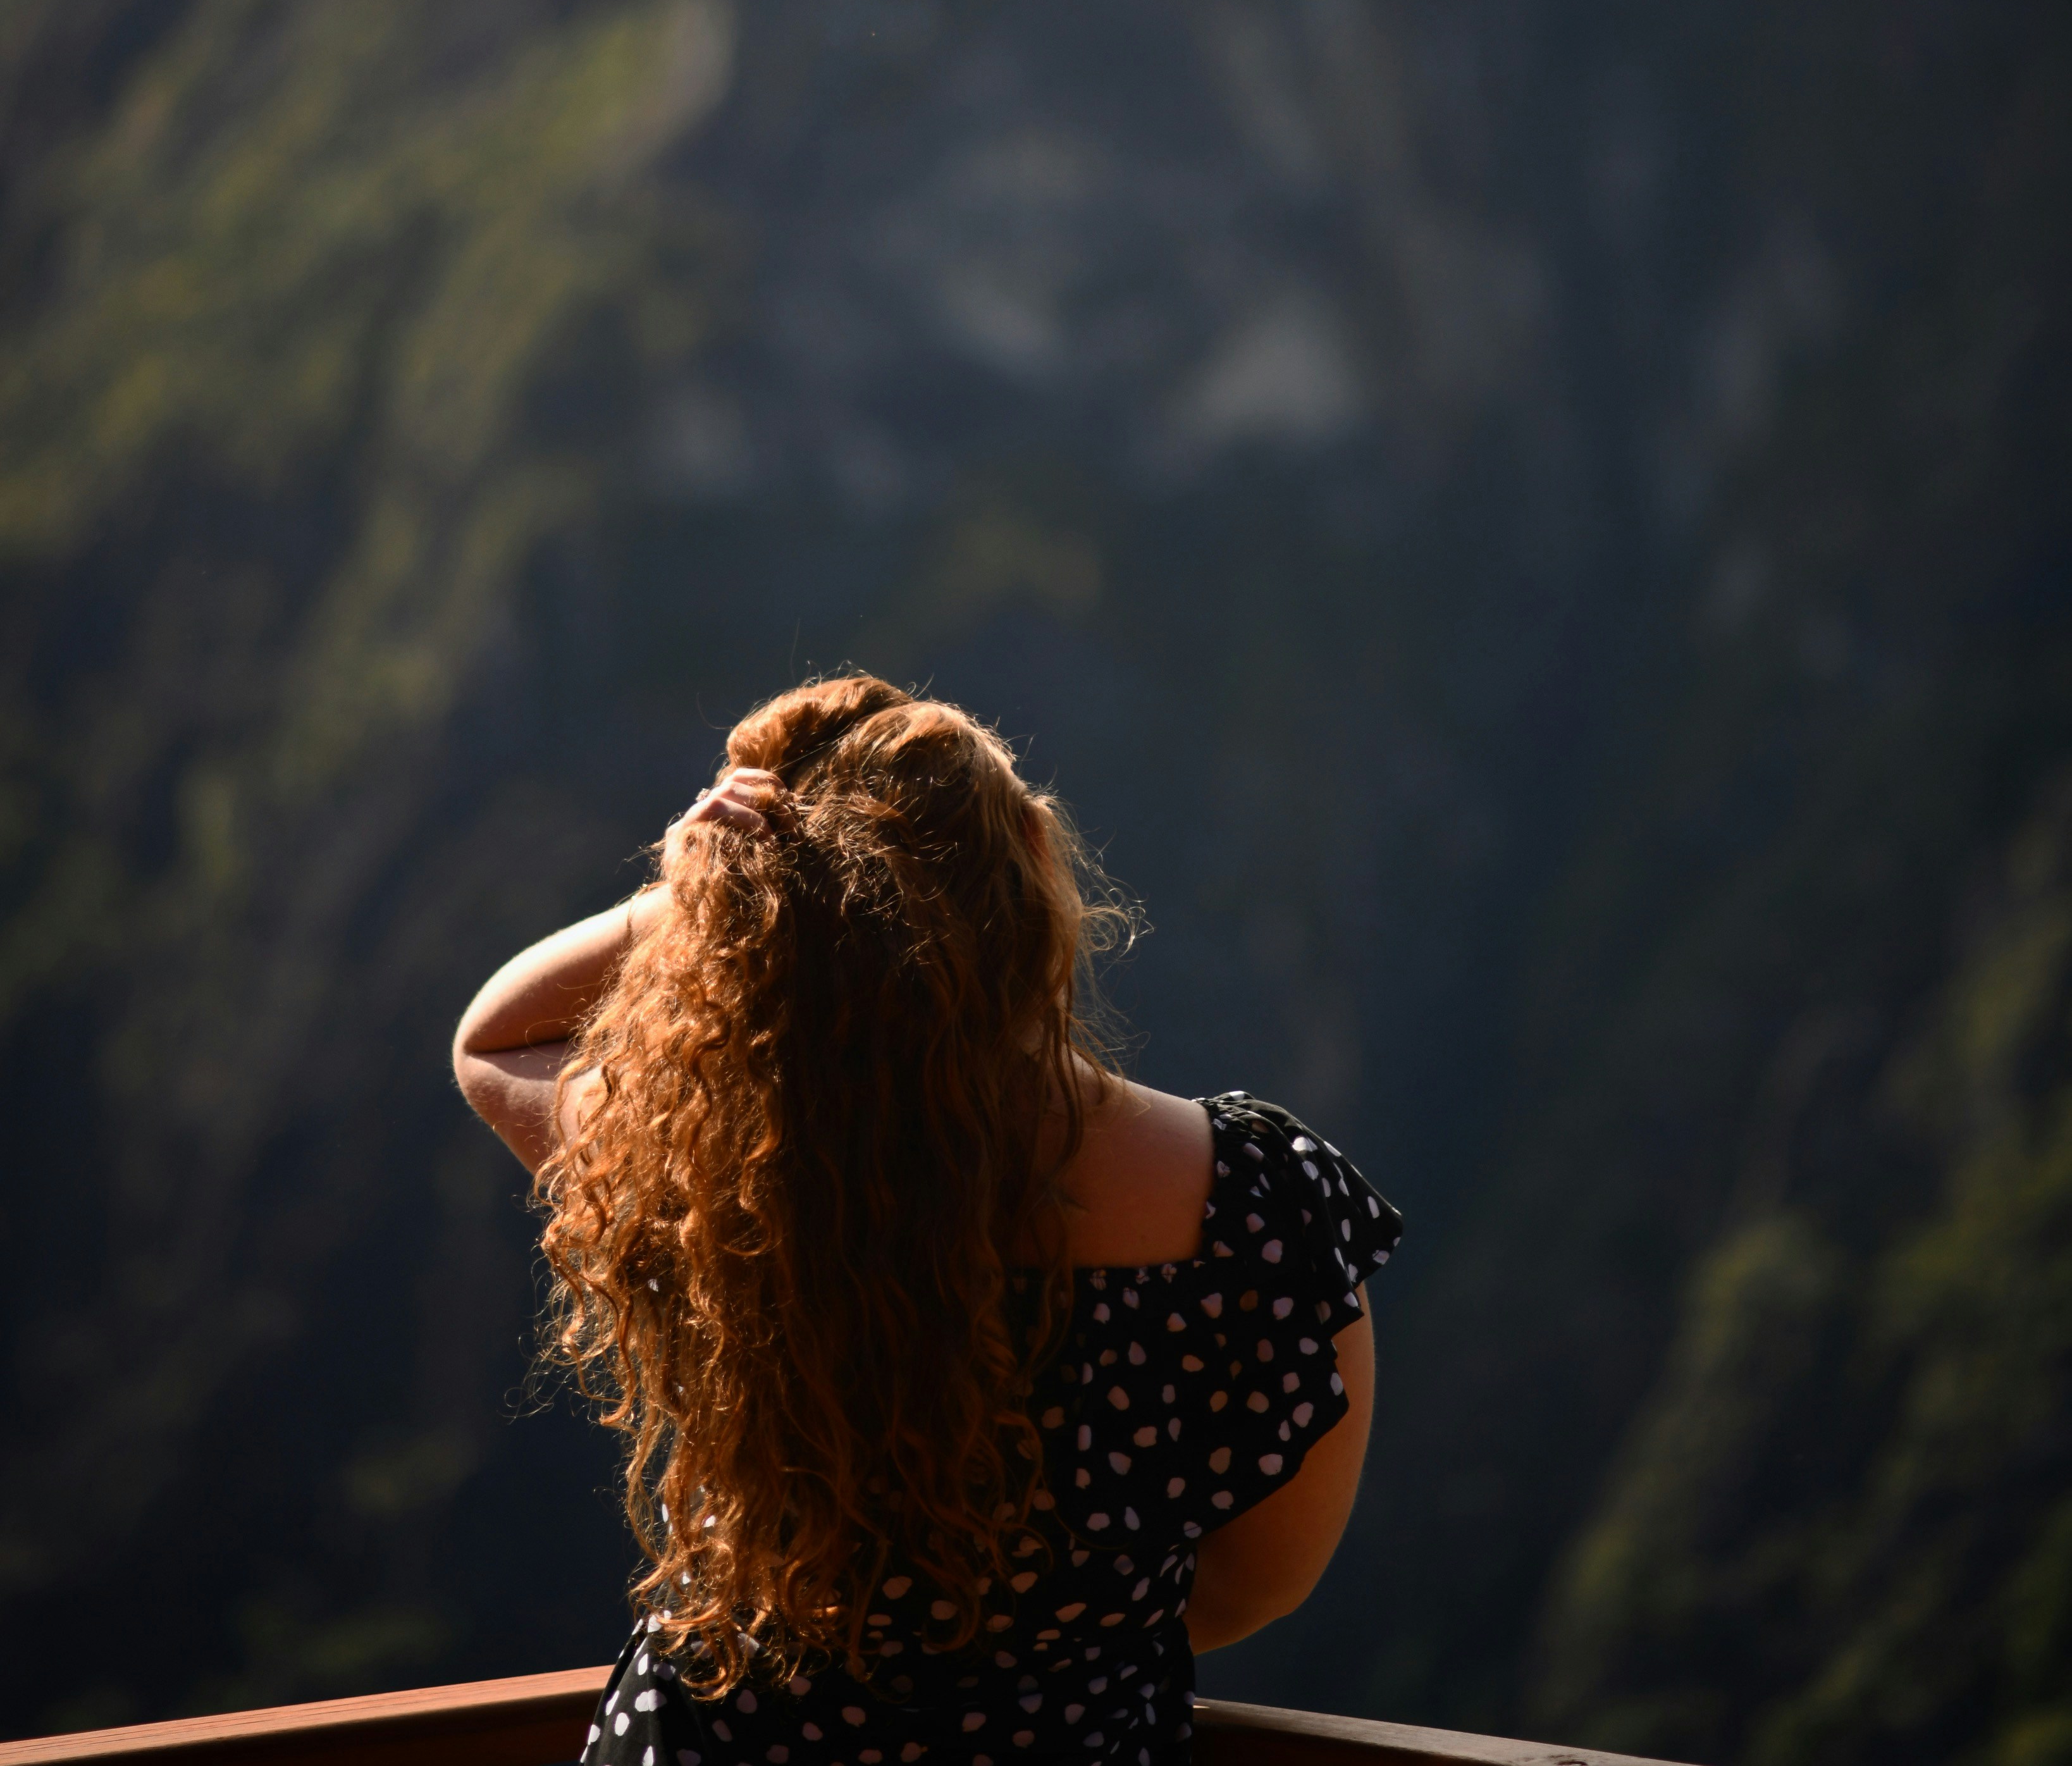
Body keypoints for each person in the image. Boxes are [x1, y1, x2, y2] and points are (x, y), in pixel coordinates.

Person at [453, 676, 1399, 1766]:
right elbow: (1260, 1585)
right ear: (1039, 872)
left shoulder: (713, 1179)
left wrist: (698, 895)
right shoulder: (1261, 1209)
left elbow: (495, 1043)